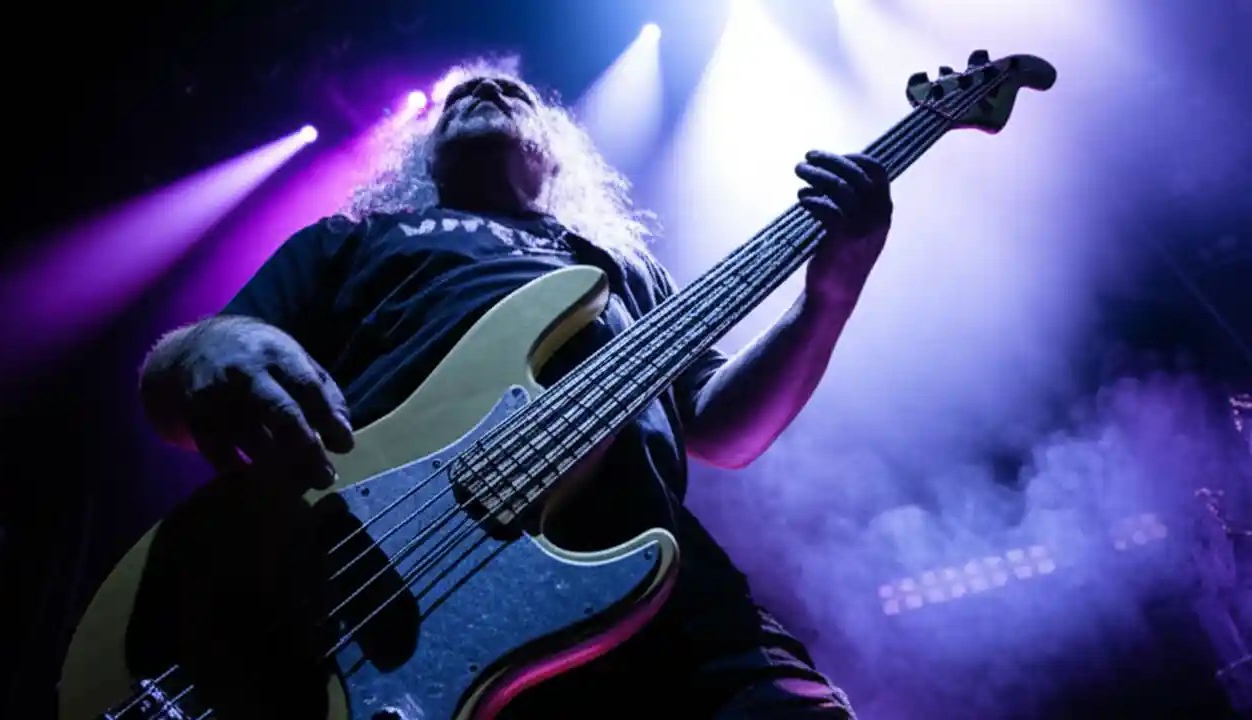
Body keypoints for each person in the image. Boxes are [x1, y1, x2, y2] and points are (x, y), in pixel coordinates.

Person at [137, 60, 892, 719]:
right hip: (396, 589)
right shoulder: (353, 240)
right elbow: (175, 390)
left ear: (557, 158)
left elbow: (725, 431)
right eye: (465, 92)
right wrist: (209, 343)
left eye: (515, 93)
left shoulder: (622, 268)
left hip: (654, 589)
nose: (490, 84)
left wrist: (829, 294)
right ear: (424, 154)